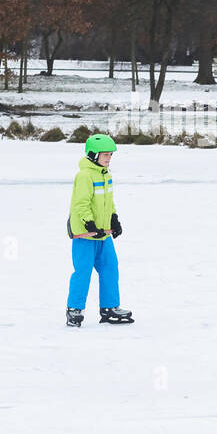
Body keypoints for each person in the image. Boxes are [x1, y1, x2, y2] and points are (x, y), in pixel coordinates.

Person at [66, 134, 133, 327]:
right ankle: (74, 309)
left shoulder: (106, 174)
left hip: (103, 234)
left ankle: (109, 308)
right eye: (105, 154)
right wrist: (88, 223)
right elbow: (80, 204)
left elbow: (108, 202)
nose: (108, 158)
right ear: (93, 154)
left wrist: (114, 218)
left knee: (110, 268)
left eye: (110, 155)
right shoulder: (84, 175)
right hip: (86, 235)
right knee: (83, 271)